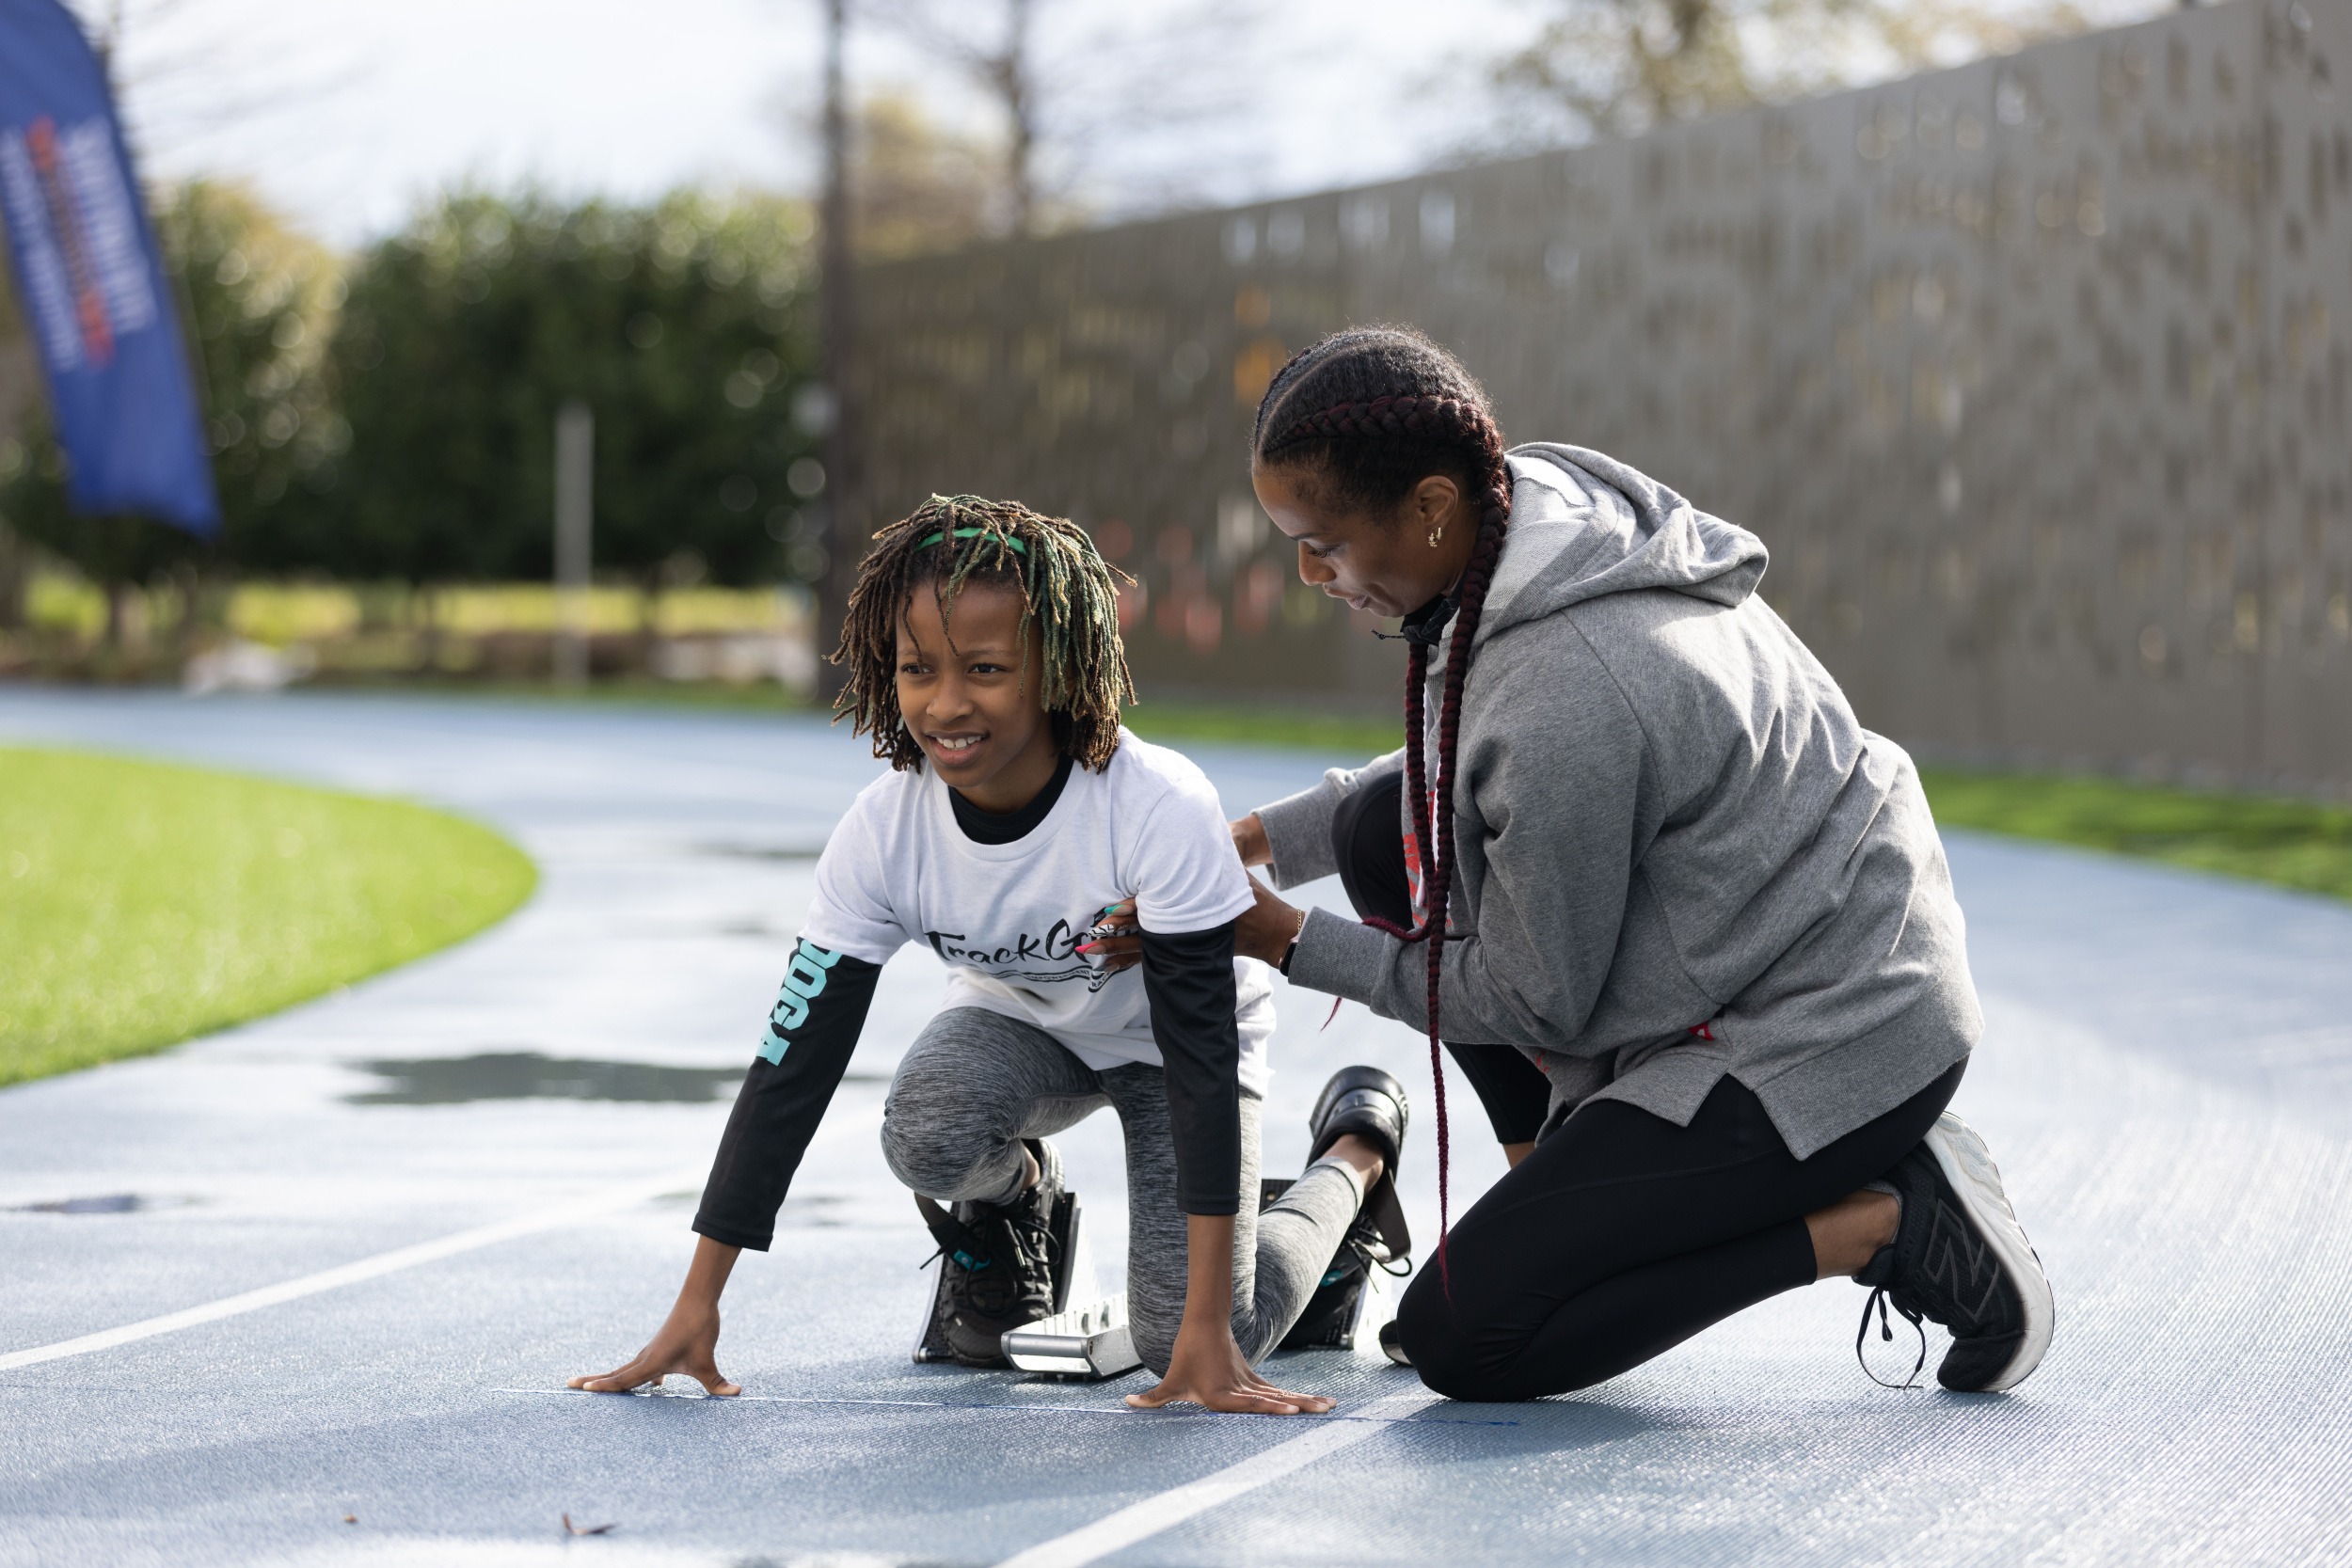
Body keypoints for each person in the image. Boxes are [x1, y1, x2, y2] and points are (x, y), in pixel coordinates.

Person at [1218, 326, 2054, 1400]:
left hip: (1832, 1030)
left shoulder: (1571, 682)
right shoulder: (1519, 523)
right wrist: (1252, 841)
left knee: (1468, 1337)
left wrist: (1279, 936)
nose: (1307, 571)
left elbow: (1536, 994)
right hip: (1757, 949)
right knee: (1383, 833)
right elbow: (1464, 755)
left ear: (1429, 505)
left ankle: (1891, 1221)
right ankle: (1556, 1184)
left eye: (1321, 544)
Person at [570, 495, 1411, 1416]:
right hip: (1027, 1028)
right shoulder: (884, 831)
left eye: (983, 668)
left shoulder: (1153, 806)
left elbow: (1203, 1066)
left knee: (1198, 1334)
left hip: (1175, 1049)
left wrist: (1209, 1323)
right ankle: (1022, 1205)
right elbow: (789, 1064)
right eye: (916, 668)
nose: (945, 703)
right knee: (925, 1123)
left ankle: (1352, 1160)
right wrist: (699, 1301)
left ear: (1057, 666)